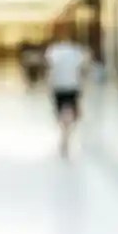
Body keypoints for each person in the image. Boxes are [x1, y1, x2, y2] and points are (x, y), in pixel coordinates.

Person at [45, 27, 88, 157]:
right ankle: (66, 134)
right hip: (72, 85)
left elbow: (49, 68)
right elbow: (83, 69)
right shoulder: (77, 51)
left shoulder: (53, 51)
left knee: (61, 111)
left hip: (58, 85)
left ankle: (64, 133)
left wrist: (48, 84)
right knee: (71, 110)